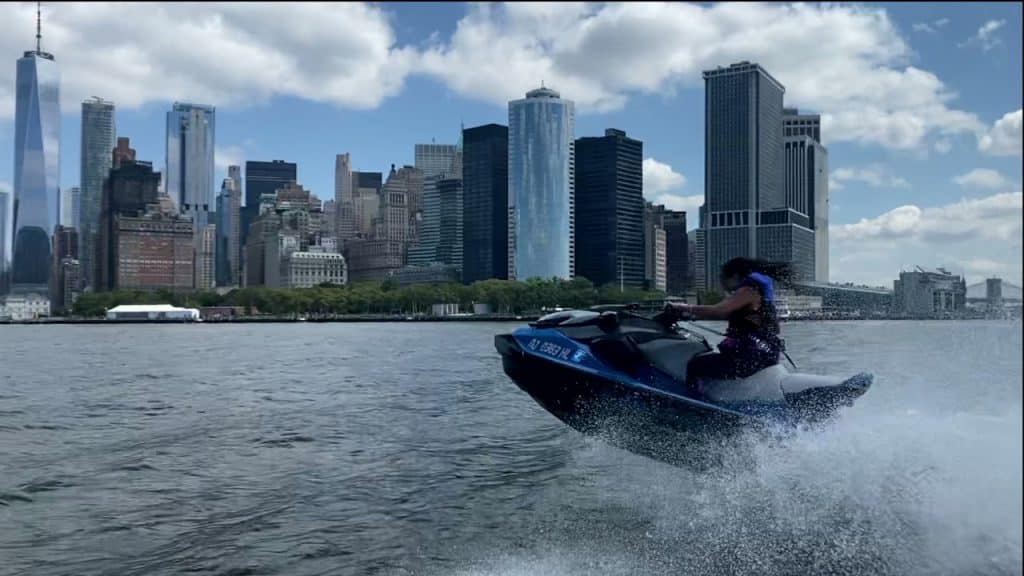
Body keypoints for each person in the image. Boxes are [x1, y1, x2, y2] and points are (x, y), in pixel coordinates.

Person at [665, 257, 790, 386]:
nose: (721, 282)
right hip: (762, 352)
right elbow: (725, 314)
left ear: (734, 276)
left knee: (695, 365)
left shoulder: (748, 290)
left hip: (750, 355)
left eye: (722, 277)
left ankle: (692, 402)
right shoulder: (755, 291)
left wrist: (683, 307)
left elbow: (719, 310)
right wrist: (689, 316)